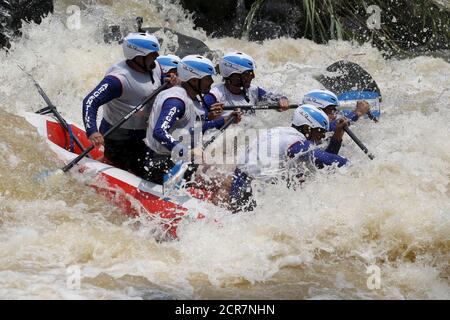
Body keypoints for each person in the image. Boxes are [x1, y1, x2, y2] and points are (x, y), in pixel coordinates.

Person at [201, 104, 350, 212]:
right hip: (252, 195)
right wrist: (352, 166)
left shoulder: (279, 131)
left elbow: (321, 163)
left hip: (241, 186)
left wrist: (337, 136)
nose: (322, 136)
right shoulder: (294, 143)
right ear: (307, 128)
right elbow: (328, 161)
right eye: (320, 131)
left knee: (304, 176)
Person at [82, 32, 171, 176]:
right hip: (118, 137)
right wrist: (92, 130)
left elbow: (158, 84)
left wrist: (169, 81)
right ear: (138, 57)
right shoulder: (118, 80)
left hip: (144, 133)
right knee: (146, 172)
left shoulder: (155, 67)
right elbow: (90, 101)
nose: (156, 57)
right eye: (152, 54)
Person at [144, 55, 242, 184]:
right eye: (208, 78)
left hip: (181, 160)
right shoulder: (176, 101)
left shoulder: (194, 99)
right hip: (161, 162)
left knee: (228, 174)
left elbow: (193, 127)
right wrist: (185, 151)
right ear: (194, 80)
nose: (212, 82)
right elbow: (159, 132)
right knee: (222, 179)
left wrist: (224, 120)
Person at [203, 51, 290, 120]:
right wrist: (222, 120)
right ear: (234, 75)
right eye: (248, 73)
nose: (253, 76)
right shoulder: (214, 96)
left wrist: (282, 100)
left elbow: (273, 99)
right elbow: (199, 124)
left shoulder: (253, 90)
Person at [302, 89, 370, 131]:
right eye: (331, 110)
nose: (335, 115)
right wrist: (357, 112)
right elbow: (330, 128)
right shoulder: (311, 130)